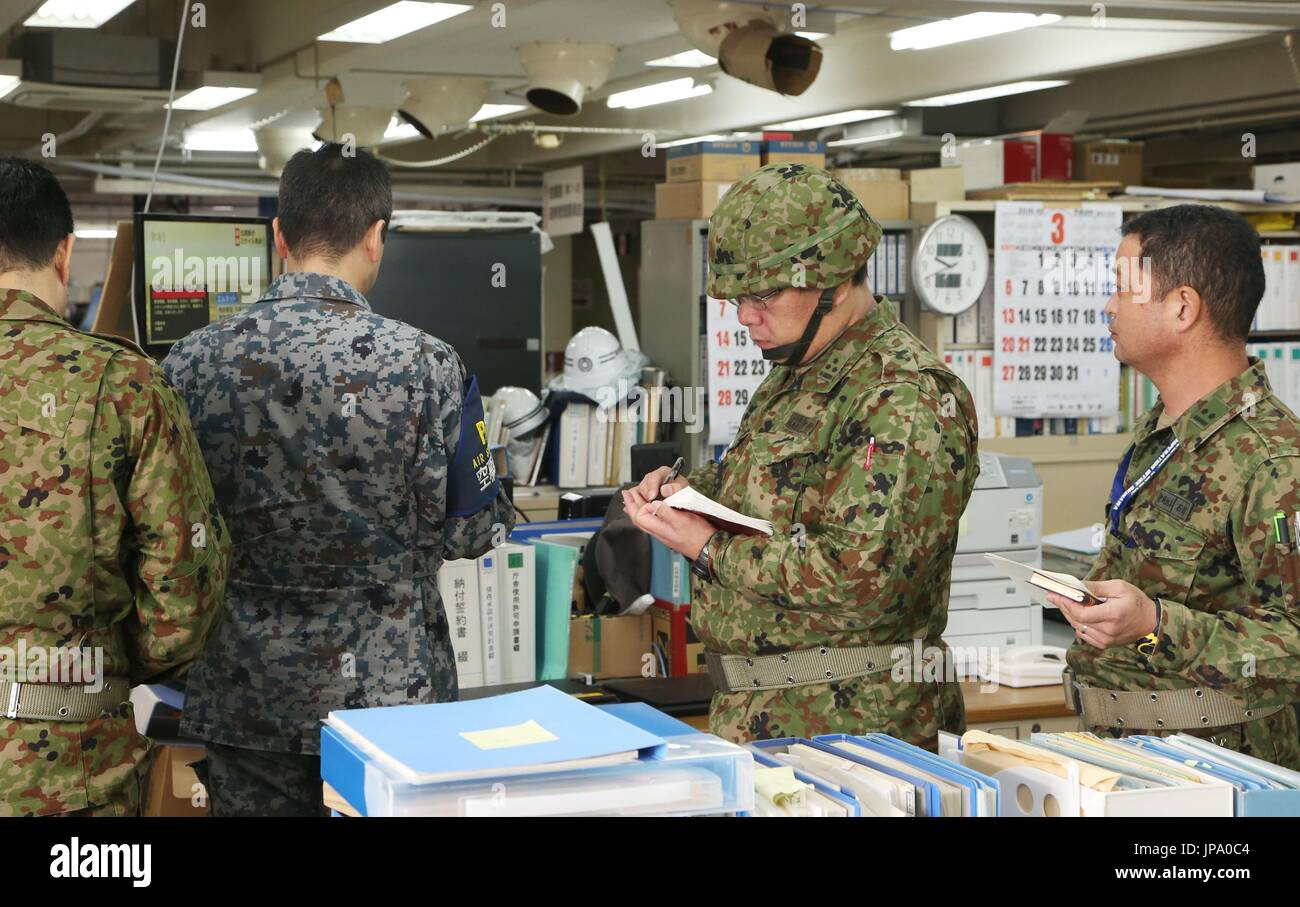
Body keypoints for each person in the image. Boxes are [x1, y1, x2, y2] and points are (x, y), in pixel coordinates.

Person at [162, 144, 514, 816]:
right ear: (377, 235)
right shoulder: (431, 363)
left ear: (279, 235)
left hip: (249, 688)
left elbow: (171, 536)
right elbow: (474, 529)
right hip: (393, 696)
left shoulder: (188, 363)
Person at [624, 163, 979, 748]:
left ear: (835, 281)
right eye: (739, 297)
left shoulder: (903, 396)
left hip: (855, 730)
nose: (744, 316)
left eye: (763, 294)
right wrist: (683, 493)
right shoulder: (799, 372)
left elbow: (860, 578)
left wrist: (709, 548)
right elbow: (767, 496)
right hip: (765, 716)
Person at [0, 156, 229, 816]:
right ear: (65, 252)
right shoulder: (121, 383)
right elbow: (183, 599)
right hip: (73, 762)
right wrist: (112, 662)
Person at [1046, 204, 1300, 769]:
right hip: (1126, 755)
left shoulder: (1273, 458)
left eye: (1122, 288)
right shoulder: (1166, 432)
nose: (1108, 306)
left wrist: (1155, 625)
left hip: (1217, 771)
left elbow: (1293, 641)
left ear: (1182, 307)